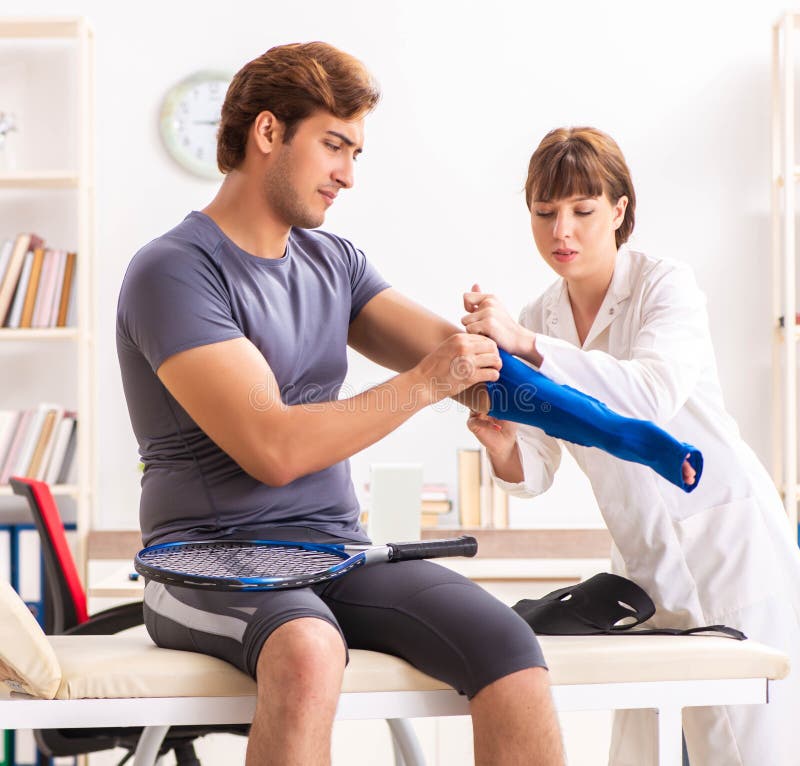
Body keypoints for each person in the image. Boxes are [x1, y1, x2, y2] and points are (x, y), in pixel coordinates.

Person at [116, 43, 564, 766]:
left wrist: (503, 349)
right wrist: (430, 381)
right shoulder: (173, 271)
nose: (349, 175)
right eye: (334, 146)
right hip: (206, 561)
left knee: (506, 643)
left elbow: (464, 359)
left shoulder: (335, 263)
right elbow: (274, 448)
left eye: (356, 152)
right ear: (268, 132)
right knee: (308, 648)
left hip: (336, 552)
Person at [463, 126, 800, 766]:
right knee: (639, 752)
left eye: (583, 211)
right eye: (545, 213)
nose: (562, 230)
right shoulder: (540, 316)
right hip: (643, 570)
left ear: (619, 211)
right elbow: (535, 469)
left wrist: (527, 347)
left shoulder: (663, 286)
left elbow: (649, 396)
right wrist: (501, 441)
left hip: (730, 551)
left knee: (748, 752)